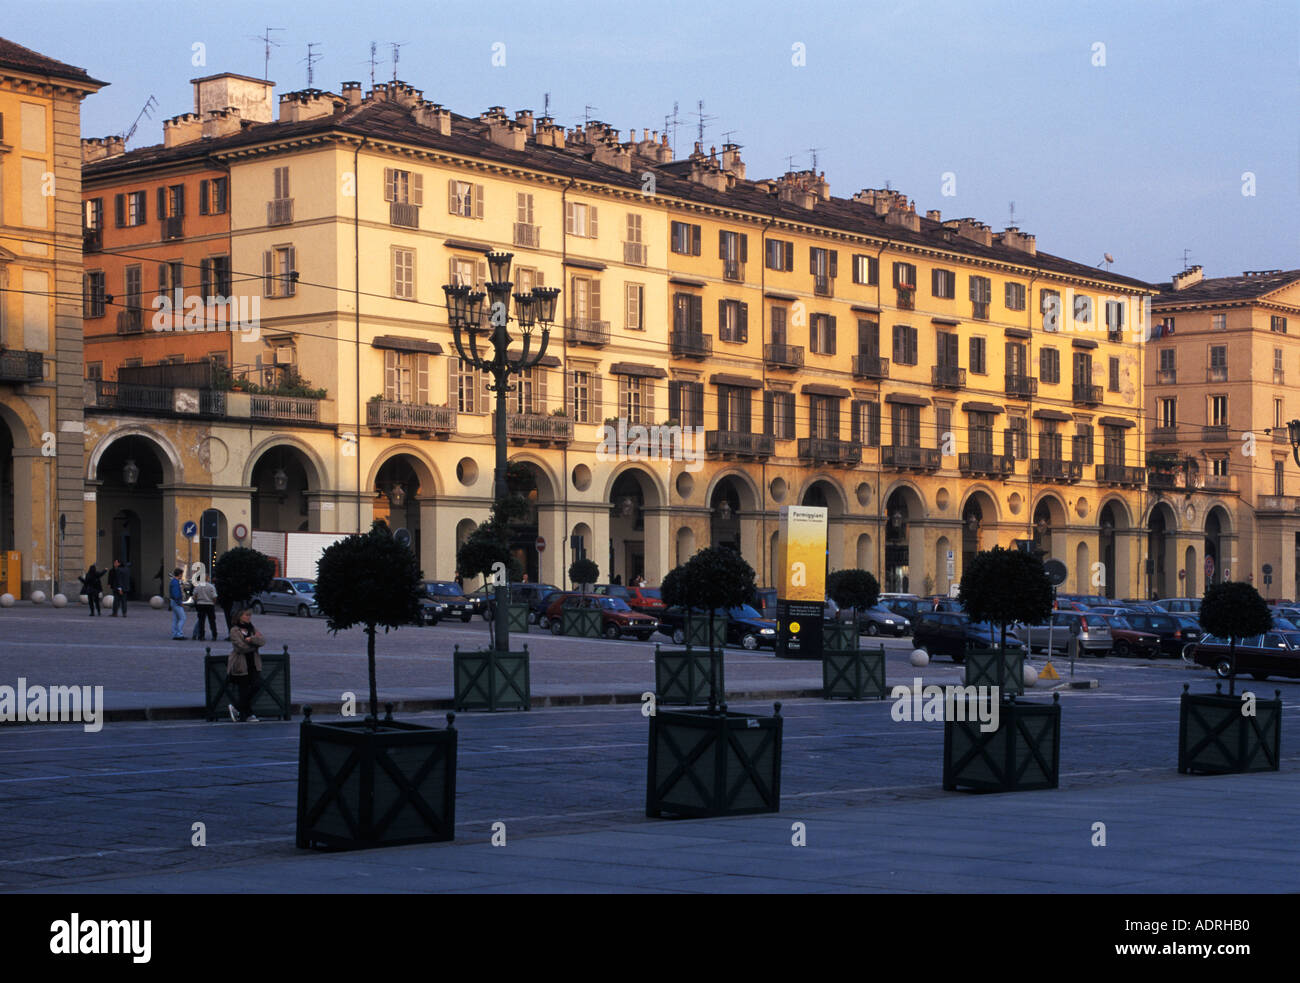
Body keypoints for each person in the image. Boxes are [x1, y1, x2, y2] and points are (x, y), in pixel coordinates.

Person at [227, 607, 267, 723]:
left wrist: (252, 639)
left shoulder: (252, 629)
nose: (249, 617)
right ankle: (248, 714)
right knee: (243, 689)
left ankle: (237, 707)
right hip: (240, 663)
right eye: (246, 615)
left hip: (253, 663)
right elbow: (240, 647)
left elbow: (262, 640)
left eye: (250, 615)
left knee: (256, 685)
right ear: (239, 616)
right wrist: (254, 645)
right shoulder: (235, 630)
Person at [168, 568, 187, 640]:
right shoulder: (176, 582)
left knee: (176, 619)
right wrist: (180, 603)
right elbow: (176, 594)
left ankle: (175, 633)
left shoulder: (173, 581)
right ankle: (179, 634)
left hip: (173, 601)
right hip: (176, 602)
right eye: (181, 574)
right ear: (179, 574)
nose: (182, 575)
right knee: (183, 618)